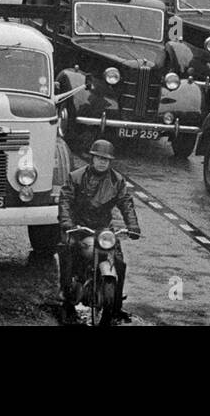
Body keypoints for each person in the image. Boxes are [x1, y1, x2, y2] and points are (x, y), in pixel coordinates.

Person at [57, 139, 141, 324]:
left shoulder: (117, 181)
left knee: (118, 260)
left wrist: (133, 226)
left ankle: (116, 304)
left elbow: (126, 203)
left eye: (106, 159)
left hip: (104, 230)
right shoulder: (76, 177)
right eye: (99, 158)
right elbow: (65, 200)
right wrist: (67, 222)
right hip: (79, 227)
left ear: (111, 162)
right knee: (67, 248)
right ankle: (66, 297)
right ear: (92, 158)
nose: (102, 162)